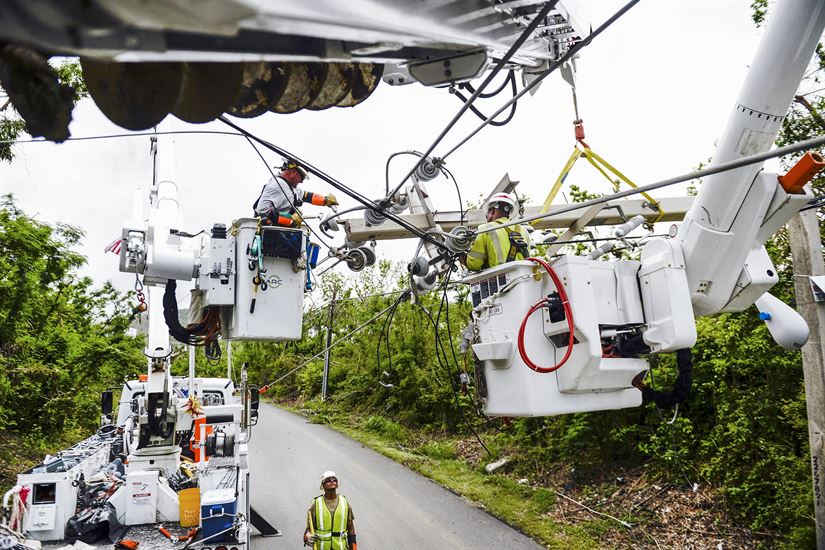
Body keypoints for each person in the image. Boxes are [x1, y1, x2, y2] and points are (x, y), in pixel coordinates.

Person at [253, 159, 338, 227]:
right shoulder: (278, 185)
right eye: (302, 178)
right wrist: (290, 220)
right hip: (269, 235)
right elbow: (263, 210)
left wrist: (325, 200)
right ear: (293, 172)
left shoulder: (290, 187)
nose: (301, 182)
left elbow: (305, 196)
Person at [465, 192, 531, 271]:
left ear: (492, 211)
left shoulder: (486, 229)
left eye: (487, 214)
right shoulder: (523, 230)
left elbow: (474, 265)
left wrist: (461, 255)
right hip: (524, 278)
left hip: (502, 280)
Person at [303, 471, 357, 550]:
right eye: (328, 480)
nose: (332, 481)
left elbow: (351, 528)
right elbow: (309, 528)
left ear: (337, 484)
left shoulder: (345, 503)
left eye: (334, 479)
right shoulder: (316, 504)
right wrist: (307, 536)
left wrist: (354, 548)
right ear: (322, 486)